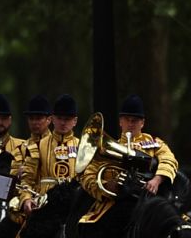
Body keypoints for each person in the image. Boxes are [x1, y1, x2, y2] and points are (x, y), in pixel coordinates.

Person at [78, 94, 180, 234]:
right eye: (127, 119)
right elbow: (87, 175)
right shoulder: (105, 147)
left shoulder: (155, 143)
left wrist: (156, 180)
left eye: (135, 120)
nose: (131, 124)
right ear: (120, 121)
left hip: (148, 200)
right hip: (115, 203)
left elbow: (169, 160)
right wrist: (105, 186)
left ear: (142, 123)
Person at [15, 95, 80, 216]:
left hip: (74, 204)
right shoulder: (38, 146)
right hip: (44, 204)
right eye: (59, 118)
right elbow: (27, 180)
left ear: (75, 121)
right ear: (53, 119)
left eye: (67, 119)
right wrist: (26, 199)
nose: (63, 122)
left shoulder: (82, 146)